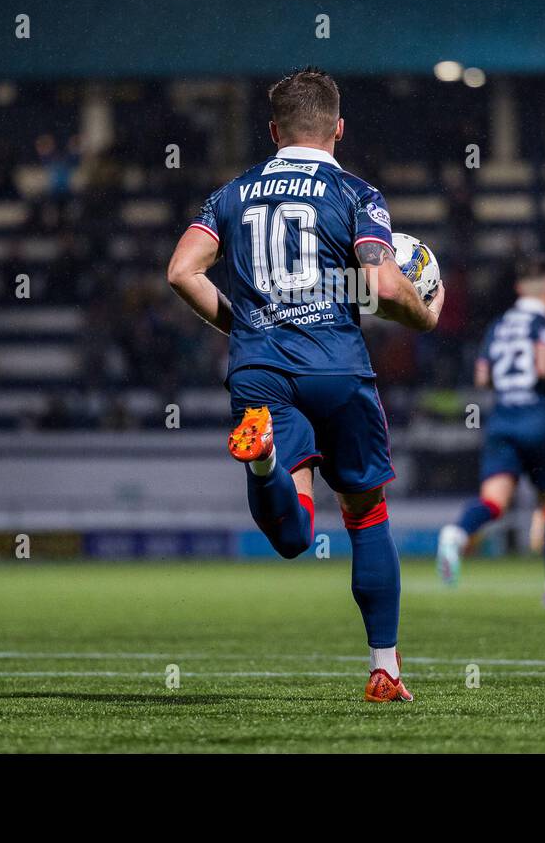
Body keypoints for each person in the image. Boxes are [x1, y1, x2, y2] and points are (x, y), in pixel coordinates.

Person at [167, 67, 443, 702]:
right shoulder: (356, 193)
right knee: (366, 513)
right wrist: (425, 315)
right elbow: (379, 285)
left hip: (261, 369)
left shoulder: (232, 193)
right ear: (338, 128)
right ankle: (385, 671)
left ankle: (264, 463)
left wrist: (245, 327)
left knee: (293, 538)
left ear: (272, 131)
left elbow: (182, 270)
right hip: (336, 366)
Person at [436, 256, 545, 607]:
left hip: (503, 418)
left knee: (493, 502)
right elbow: (544, 364)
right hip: (537, 416)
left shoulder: (498, 325)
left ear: (519, 289)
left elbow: (482, 378)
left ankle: (456, 534)